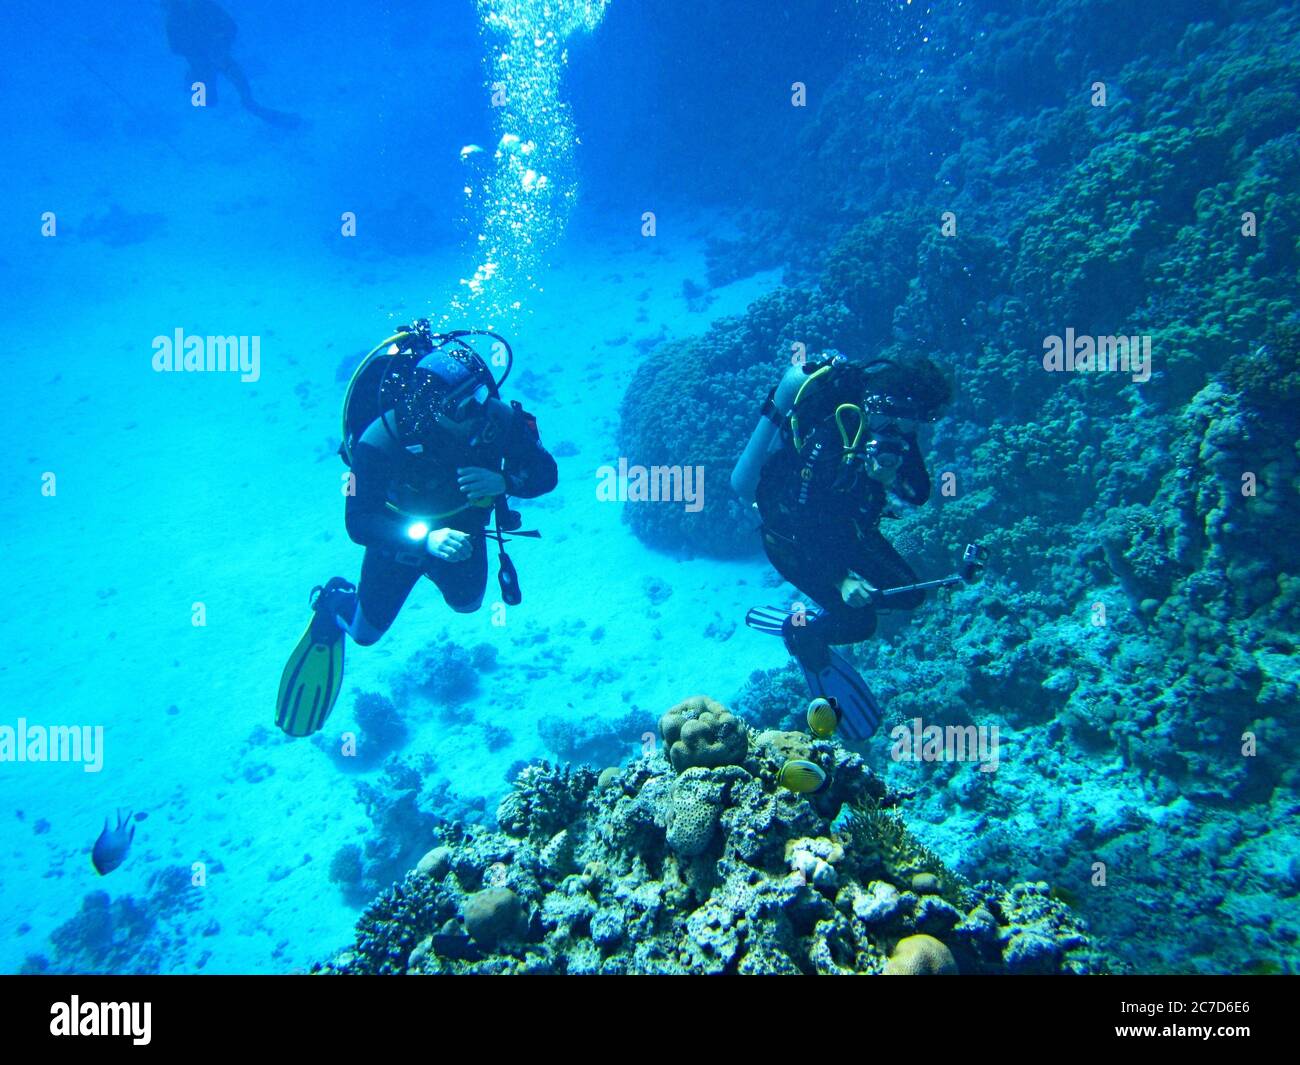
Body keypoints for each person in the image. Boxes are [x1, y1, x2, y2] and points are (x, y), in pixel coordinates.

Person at [276, 324, 558, 737]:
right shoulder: (380, 441)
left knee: (468, 604)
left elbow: (546, 474)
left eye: (484, 394)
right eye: (468, 404)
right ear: (436, 408)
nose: (482, 408)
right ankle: (335, 602)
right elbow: (358, 522)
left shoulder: (496, 416)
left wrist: (506, 482)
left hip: (462, 532)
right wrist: (424, 539)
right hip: (399, 539)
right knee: (365, 634)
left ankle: (429, 565)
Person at [732, 353, 951, 741]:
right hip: (791, 542)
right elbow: (798, 518)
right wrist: (840, 582)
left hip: (846, 531)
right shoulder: (832, 435)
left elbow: (918, 493)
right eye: (916, 418)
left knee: (910, 595)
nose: (914, 428)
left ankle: (826, 609)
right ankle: (802, 634)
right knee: (859, 621)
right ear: (894, 405)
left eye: (922, 422)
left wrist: (887, 469)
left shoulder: (893, 431)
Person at [161, 0, 301, 128]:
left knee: (242, 91)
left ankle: (252, 107)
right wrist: (203, 53)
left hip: (218, 57)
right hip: (201, 63)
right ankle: (194, 87)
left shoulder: (205, 8)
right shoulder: (174, 19)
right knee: (208, 102)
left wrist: (220, 43)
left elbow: (231, 27)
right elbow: (176, 48)